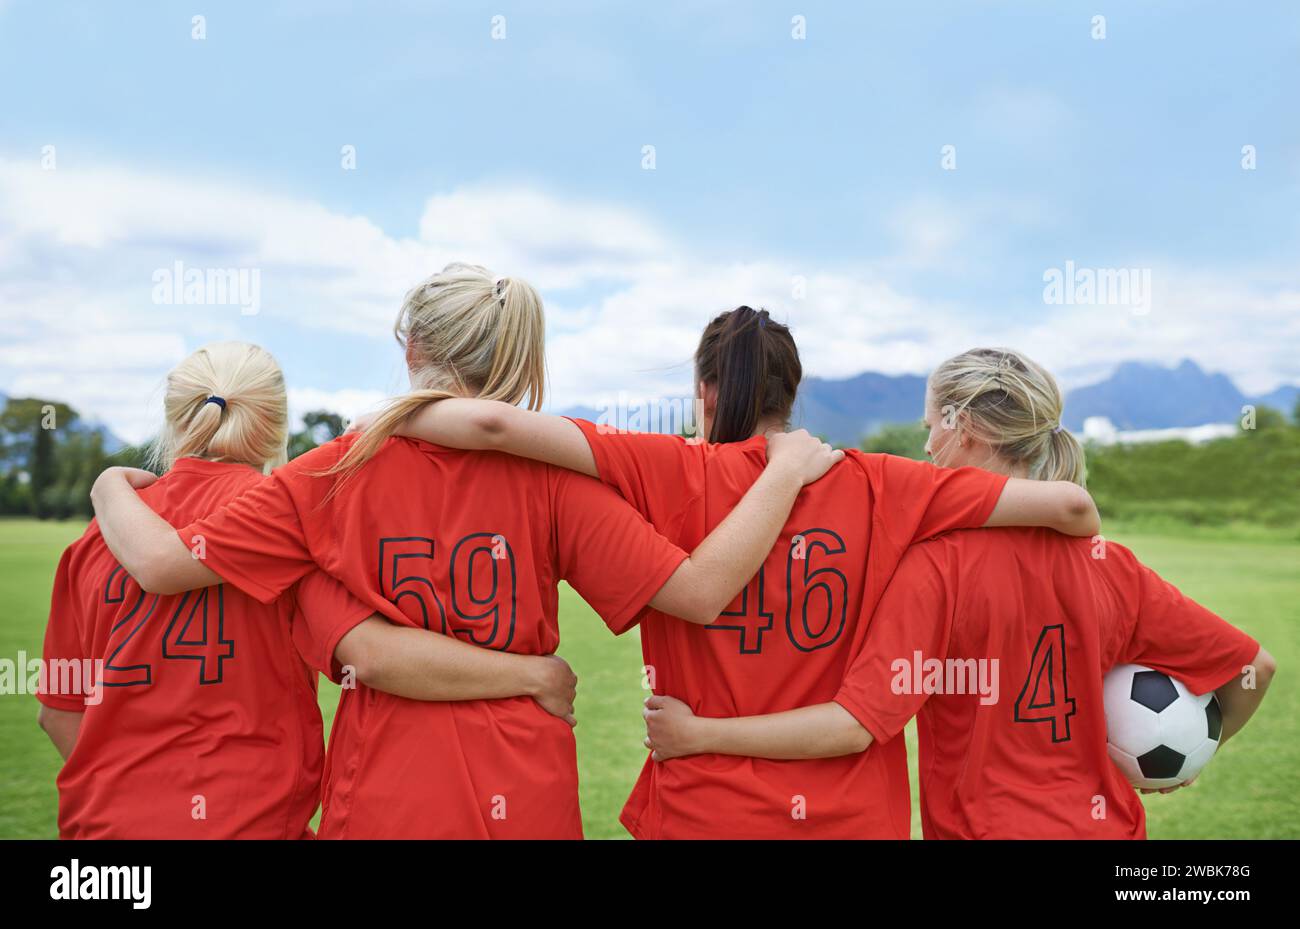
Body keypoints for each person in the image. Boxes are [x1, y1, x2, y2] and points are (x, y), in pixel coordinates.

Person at [86, 266, 841, 838]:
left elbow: (160, 565)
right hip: (527, 790)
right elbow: (700, 591)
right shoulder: (548, 478)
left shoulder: (329, 472)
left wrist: (110, 485)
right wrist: (781, 472)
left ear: (412, 347)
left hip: (388, 793)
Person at [378, 308, 1103, 838]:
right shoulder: (887, 481)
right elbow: (1071, 505)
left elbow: (496, 426)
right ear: (793, 394)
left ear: (704, 392)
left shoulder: (662, 468)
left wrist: (386, 421)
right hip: (853, 818)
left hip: (705, 810)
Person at [642, 347, 1276, 839]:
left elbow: (853, 726)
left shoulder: (936, 568)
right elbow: (1254, 668)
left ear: (965, 426)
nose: (925, 445)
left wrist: (702, 735)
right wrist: (1189, 754)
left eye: (930, 426)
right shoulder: (1112, 564)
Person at [37, 342, 578, 838]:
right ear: (276, 423)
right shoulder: (289, 520)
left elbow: (58, 712)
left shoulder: (95, 539)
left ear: (173, 420)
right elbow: (371, 654)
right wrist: (533, 673)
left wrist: (136, 800)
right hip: (247, 822)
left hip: (99, 835)